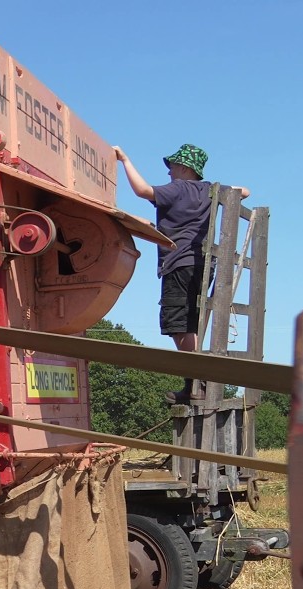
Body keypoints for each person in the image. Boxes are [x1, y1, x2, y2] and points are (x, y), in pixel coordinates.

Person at [113, 143, 249, 404]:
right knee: (191, 322)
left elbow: (143, 191)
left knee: (177, 324)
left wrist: (126, 161)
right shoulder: (210, 190)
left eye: (173, 166)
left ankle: (200, 381)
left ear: (185, 168)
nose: (169, 172)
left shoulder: (178, 188)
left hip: (178, 262)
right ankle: (196, 384)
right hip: (203, 265)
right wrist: (218, 191)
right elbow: (245, 191)